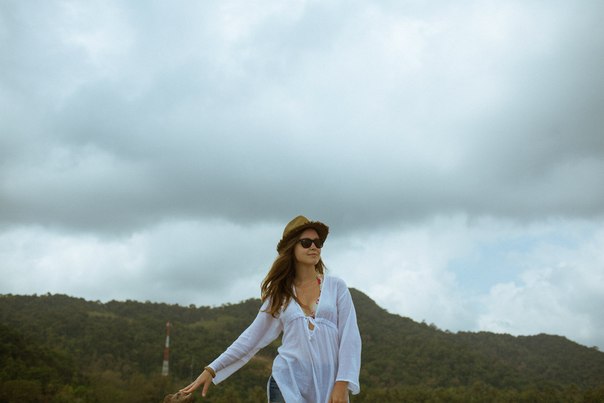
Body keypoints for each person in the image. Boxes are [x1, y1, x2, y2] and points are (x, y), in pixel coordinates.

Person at [180, 215, 362, 403]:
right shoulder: (280, 295)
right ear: (292, 247)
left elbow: (350, 338)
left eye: (318, 242)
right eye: (306, 242)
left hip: (328, 384)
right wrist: (212, 369)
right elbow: (251, 338)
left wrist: (342, 383)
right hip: (287, 382)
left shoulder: (336, 287)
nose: (314, 247)